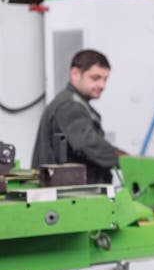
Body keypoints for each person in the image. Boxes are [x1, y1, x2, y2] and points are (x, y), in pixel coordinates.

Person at [32, 49, 126, 184]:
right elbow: (88, 144)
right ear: (75, 74)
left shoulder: (76, 104)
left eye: (105, 79)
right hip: (66, 197)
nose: (102, 85)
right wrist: (127, 160)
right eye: (95, 78)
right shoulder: (69, 106)